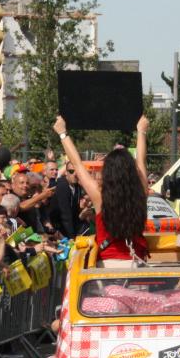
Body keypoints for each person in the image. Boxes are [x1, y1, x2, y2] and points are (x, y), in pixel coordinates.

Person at [54, 114, 151, 266]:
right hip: (137, 263)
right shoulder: (141, 191)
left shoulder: (100, 196)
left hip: (107, 265)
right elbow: (141, 161)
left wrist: (62, 133)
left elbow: (77, 164)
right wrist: (141, 131)